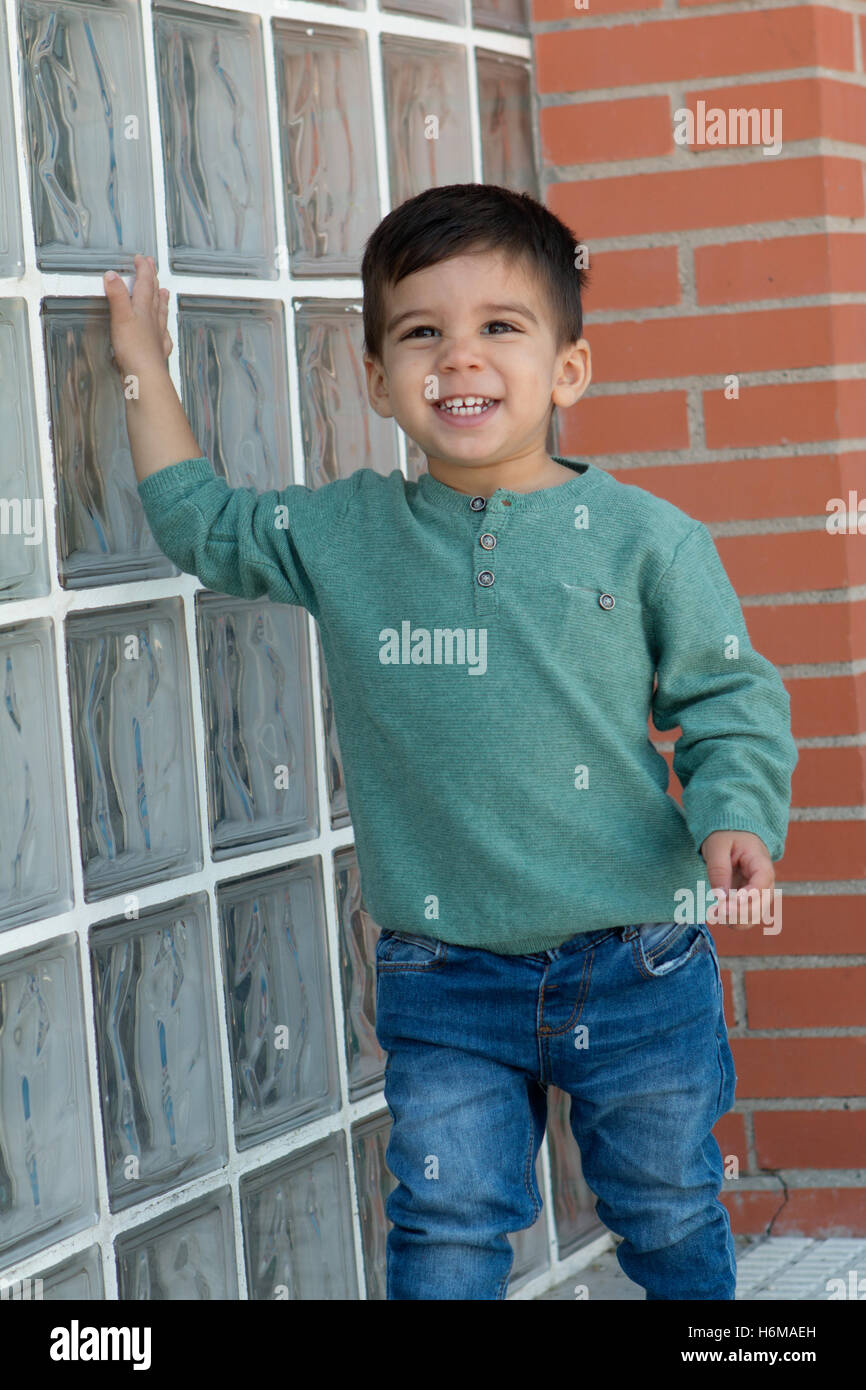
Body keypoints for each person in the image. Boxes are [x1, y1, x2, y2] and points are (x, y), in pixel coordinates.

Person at [104, 182, 798, 1301]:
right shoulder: (343, 531)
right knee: (443, 1229)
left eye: (499, 328)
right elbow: (203, 524)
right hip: (443, 971)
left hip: (635, 959)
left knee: (665, 1208)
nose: (458, 358)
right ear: (377, 378)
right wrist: (140, 359)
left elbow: (728, 698)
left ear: (567, 369)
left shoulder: (648, 541)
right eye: (421, 332)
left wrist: (734, 812)